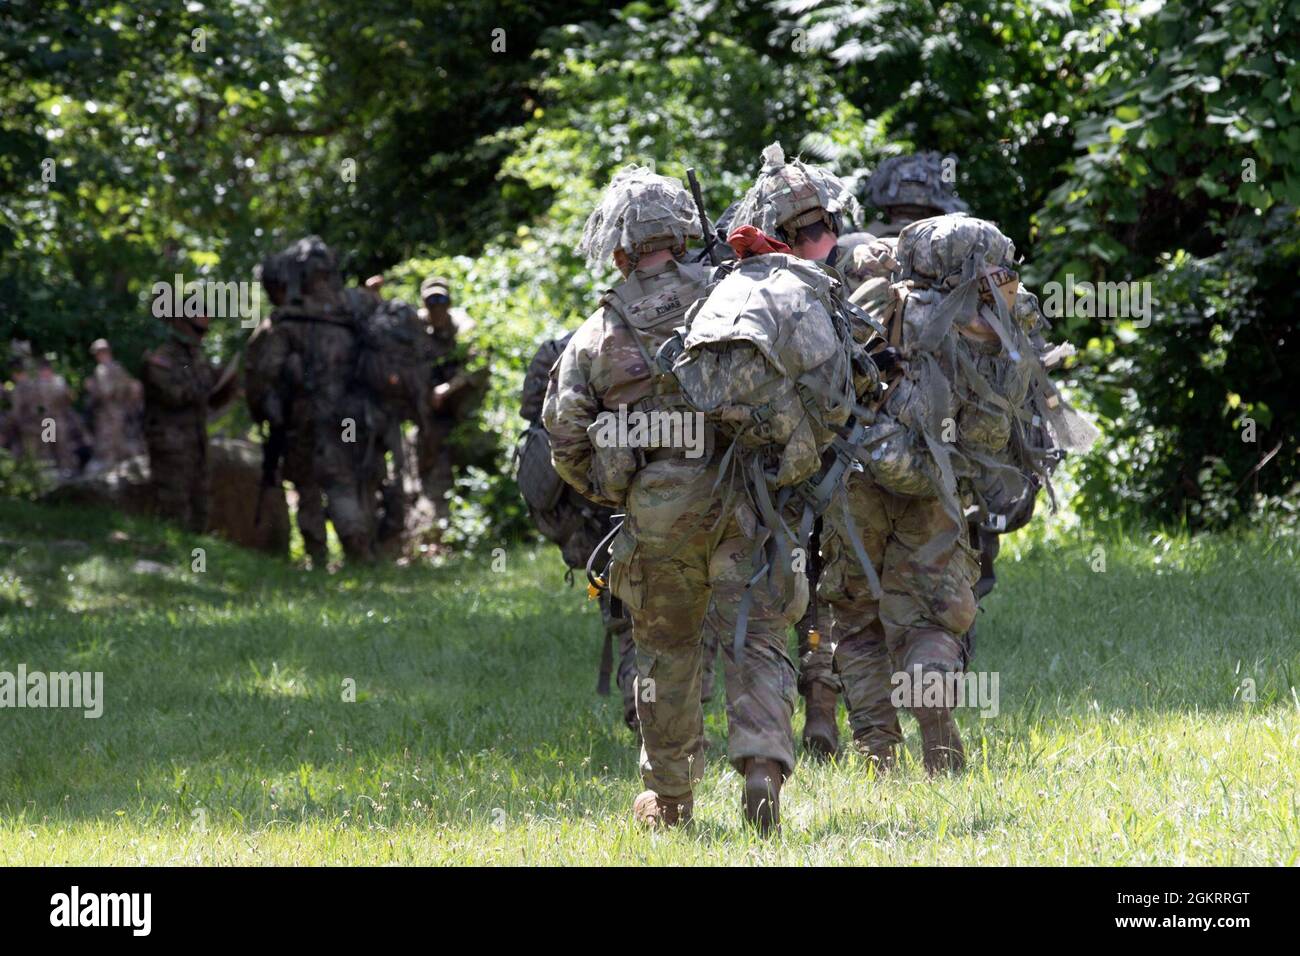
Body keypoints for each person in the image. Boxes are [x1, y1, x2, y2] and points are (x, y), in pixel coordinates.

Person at [246, 236, 380, 564]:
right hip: (352, 416)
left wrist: (267, 412)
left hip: (304, 418)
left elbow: (263, 373)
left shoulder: (287, 322)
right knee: (344, 481)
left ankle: (317, 557)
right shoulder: (354, 313)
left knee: (307, 484)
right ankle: (358, 551)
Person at [141, 314, 235, 531]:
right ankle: (170, 557)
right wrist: (208, 385)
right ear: (180, 323)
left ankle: (197, 556)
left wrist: (226, 387)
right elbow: (174, 395)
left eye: (206, 331)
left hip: (197, 442)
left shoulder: (197, 358)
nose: (202, 337)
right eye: (198, 330)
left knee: (201, 506)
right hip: (171, 444)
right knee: (173, 505)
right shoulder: (160, 358)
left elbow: (210, 400)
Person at [415, 276, 488, 524]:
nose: (436, 306)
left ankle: (472, 487)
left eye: (441, 300)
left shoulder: (463, 325)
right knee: (427, 445)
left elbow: (478, 365)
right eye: (430, 301)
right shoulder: (416, 326)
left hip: (459, 399)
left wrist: (446, 390)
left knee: (467, 446)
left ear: (449, 302)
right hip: (427, 401)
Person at [85, 338, 143, 472]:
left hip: (109, 414)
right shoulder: (118, 368)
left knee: (108, 447)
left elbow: (106, 392)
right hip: (120, 412)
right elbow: (135, 388)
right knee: (120, 444)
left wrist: (92, 388)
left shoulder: (102, 370)